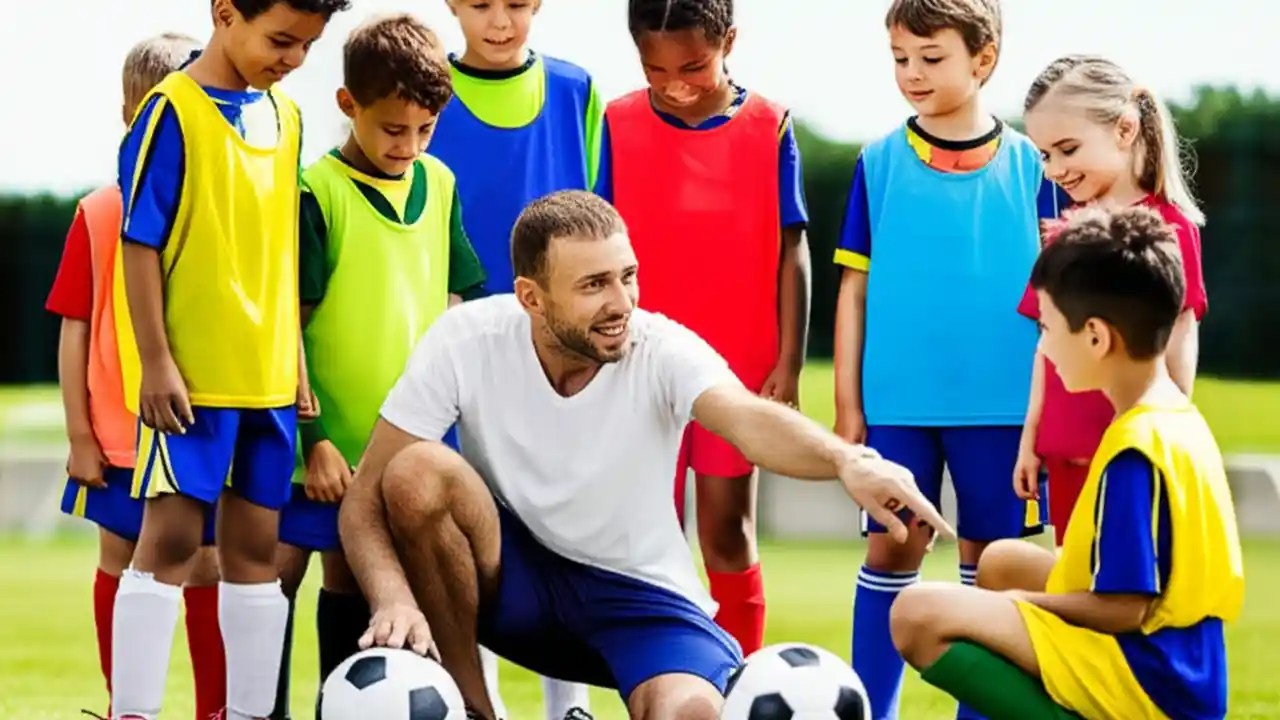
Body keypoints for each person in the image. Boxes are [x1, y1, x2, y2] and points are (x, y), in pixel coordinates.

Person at [338, 190, 951, 720]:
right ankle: (475, 708)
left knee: (693, 712)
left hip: (641, 600)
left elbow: (746, 419)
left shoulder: (659, 348)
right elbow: (364, 499)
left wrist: (846, 460)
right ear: (531, 297)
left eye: (626, 275)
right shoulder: (466, 339)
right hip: (513, 582)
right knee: (417, 471)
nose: (621, 302)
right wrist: (393, 598)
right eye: (593, 285)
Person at [890, 205, 1244, 720]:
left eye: (1047, 327)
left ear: (1096, 337)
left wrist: (1014, 605)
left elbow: (1126, 608)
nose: (1043, 345)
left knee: (915, 613)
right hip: (1189, 664)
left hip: (1151, 678)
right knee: (1000, 561)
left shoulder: (1135, 451)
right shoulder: (1171, 415)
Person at [109, 1, 350, 718]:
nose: (293, 59)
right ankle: (133, 712)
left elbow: (281, 253)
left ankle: (247, 713)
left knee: (256, 552)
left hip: (268, 383)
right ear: (224, 13)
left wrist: (295, 368)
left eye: (306, 45)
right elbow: (139, 242)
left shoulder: (288, 117)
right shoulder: (170, 112)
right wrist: (156, 360)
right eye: (280, 40)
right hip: (193, 383)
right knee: (172, 540)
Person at [829, 1, 1060, 717]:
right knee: (892, 551)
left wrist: (1048, 411)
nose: (912, 74)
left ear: (983, 59)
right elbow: (853, 291)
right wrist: (847, 407)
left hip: (1005, 410)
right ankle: (871, 710)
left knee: (992, 565)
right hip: (897, 405)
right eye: (901, 58)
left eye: (931, 58)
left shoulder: (1036, 167)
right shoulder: (877, 163)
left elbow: (1058, 302)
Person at [271, 13, 487, 718]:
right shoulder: (315, 193)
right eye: (394, 129)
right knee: (276, 578)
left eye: (426, 129)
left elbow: (456, 302)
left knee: (353, 581)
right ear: (348, 104)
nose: (410, 146)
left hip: (399, 447)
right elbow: (285, 326)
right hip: (318, 446)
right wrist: (314, 437)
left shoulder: (440, 183)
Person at [597, 0, 810, 657]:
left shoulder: (770, 125)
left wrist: (789, 363)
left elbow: (793, 249)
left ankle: (741, 677)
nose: (675, 85)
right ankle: (660, 679)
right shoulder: (618, 122)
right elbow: (596, 244)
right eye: (654, 69)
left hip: (736, 365)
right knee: (648, 537)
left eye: (693, 67)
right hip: (637, 363)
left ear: (729, 43)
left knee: (726, 531)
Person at [427, 1, 605, 715]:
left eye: (516, 4)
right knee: (469, 532)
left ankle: (570, 705)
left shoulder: (574, 90)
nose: (499, 21)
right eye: (479, 5)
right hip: (458, 348)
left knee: (564, 528)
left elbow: (600, 220)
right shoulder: (428, 90)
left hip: (559, 348)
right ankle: (484, 703)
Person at [44, 33, 227, 720]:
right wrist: (79, 435)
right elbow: (75, 328)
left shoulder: (218, 207)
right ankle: (124, 705)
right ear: (129, 117)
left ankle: (216, 709)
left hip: (201, 427)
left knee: (207, 566)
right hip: (119, 440)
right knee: (118, 563)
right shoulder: (98, 213)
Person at [1015, 54, 1208, 548]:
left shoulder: (1170, 230)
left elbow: (1181, 334)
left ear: (1124, 129)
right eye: (1045, 155)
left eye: (1067, 149)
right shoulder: (1063, 233)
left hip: (1130, 447)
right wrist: (1030, 435)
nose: (1054, 169)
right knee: (1073, 571)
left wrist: (1166, 428)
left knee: (1124, 574)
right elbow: (1045, 340)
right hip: (1063, 448)